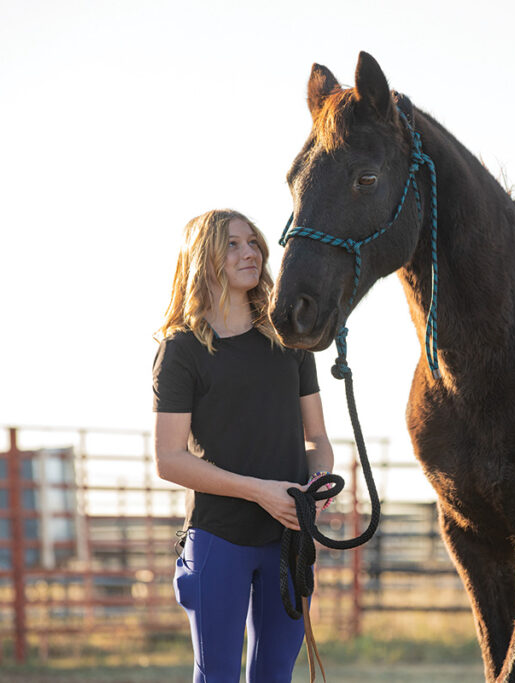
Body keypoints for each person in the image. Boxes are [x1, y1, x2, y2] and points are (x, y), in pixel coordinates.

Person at [152, 209, 335, 683]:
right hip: (219, 539)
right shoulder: (182, 349)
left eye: (252, 242)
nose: (249, 252)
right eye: (233, 244)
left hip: (287, 540)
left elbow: (317, 439)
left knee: (275, 675)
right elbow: (170, 460)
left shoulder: (289, 340)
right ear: (204, 257)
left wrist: (316, 485)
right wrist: (260, 491)